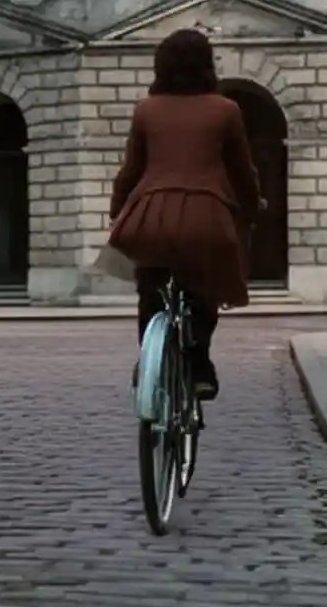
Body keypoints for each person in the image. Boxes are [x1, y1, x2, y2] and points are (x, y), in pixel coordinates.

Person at [108, 28, 262, 401]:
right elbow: (242, 170)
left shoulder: (146, 110)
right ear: (207, 65)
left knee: (150, 288)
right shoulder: (225, 110)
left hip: (151, 213)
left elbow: (131, 170)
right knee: (205, 287)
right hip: (205, 215)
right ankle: (199, 366)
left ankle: (148, 359)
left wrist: (118, 211)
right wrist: (251, 207)